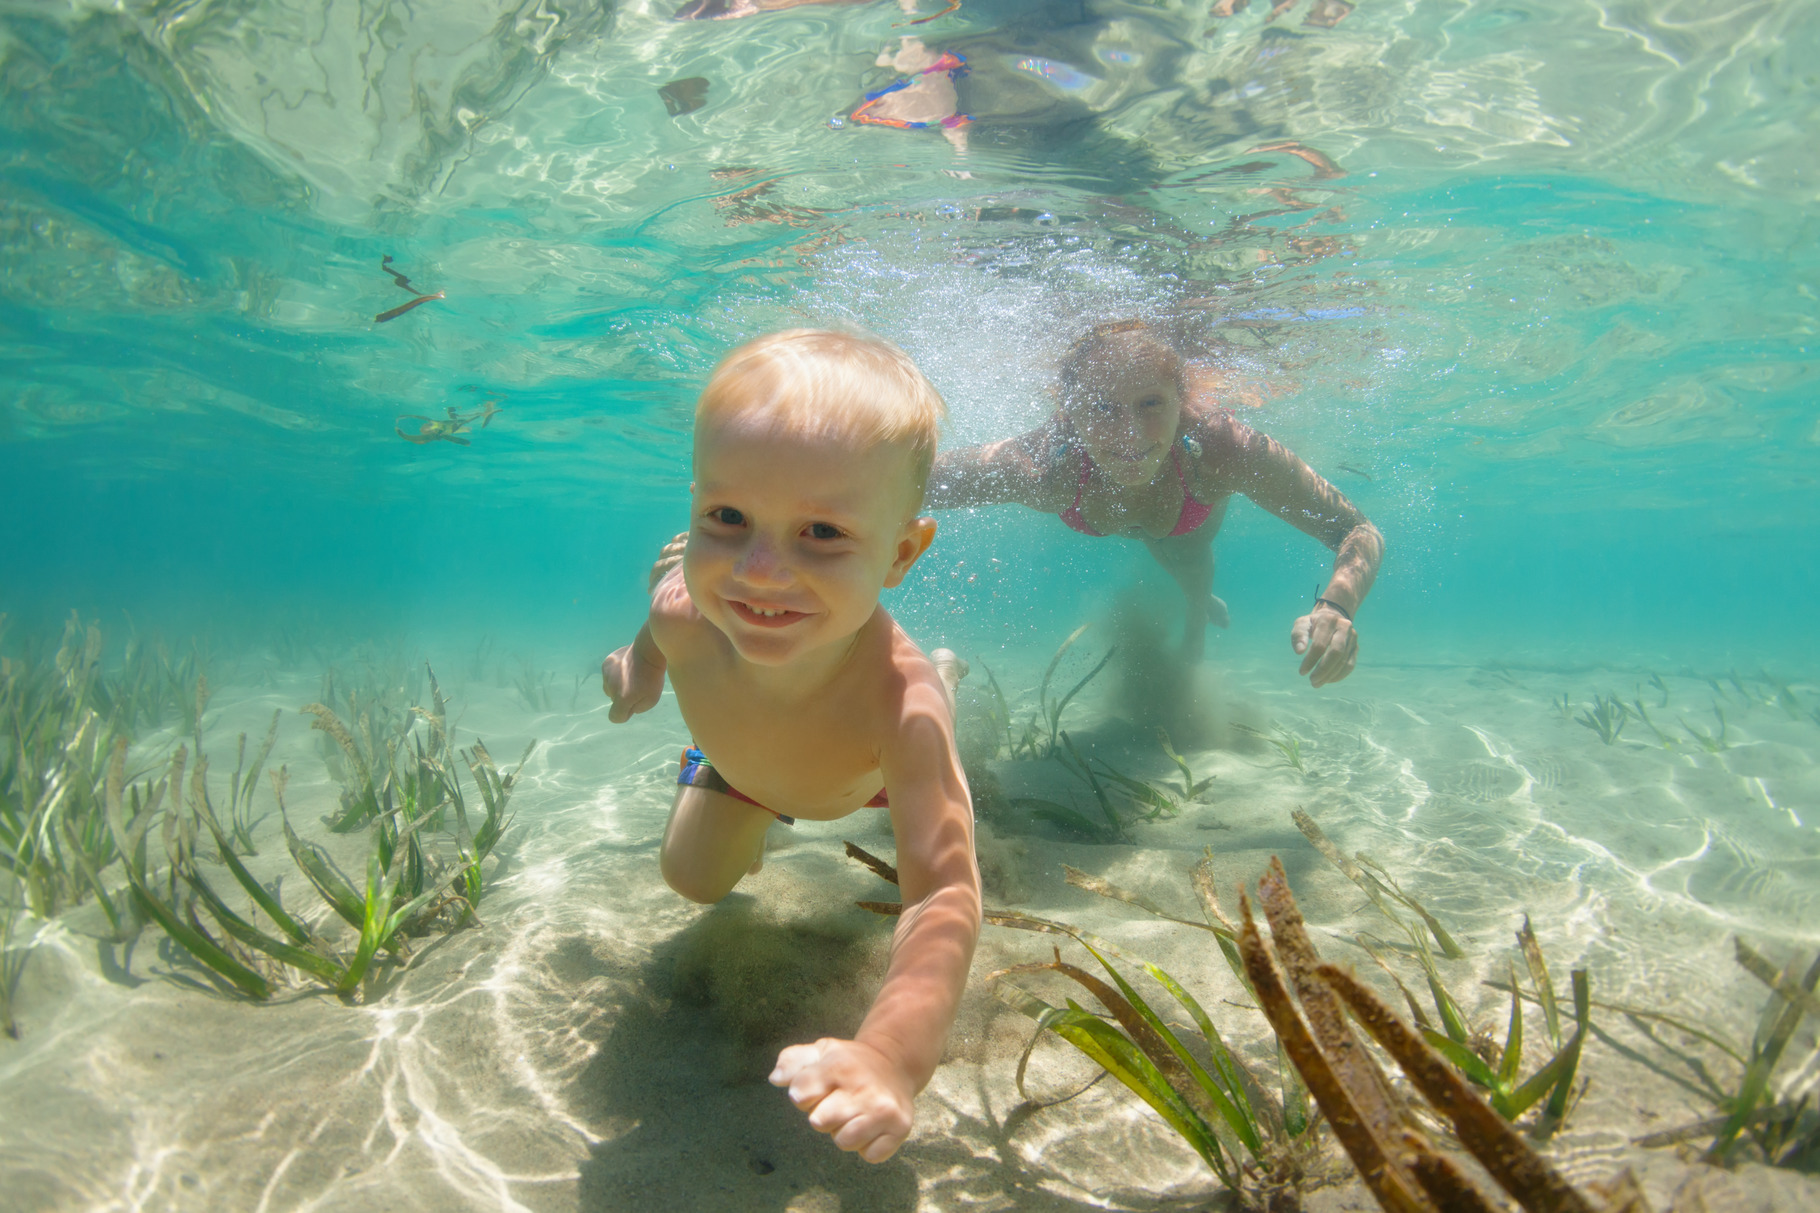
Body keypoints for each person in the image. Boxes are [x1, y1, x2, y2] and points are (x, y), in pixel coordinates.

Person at [600, 329, 981, 1164]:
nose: (761, 571)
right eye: (727, 518)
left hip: (862, 772)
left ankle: (950, 672)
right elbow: (658, 628)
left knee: (929, 704)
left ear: (902, 553)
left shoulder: (901, 709)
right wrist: (636, 673)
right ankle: (755, 803)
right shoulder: (683, 611)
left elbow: (942, 890)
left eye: (821, 532)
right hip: (745, 762)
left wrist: (890, 1054)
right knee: (691, 881)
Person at [925, 319, 1382, 685]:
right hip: (1141, 513)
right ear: (1069, 412)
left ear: (1181, 402)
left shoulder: (1221, 451)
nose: (1131, 436)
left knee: (1190, 562)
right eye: (1103, 407)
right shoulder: (1042, 466)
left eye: (1150, 404)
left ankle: (1197, 624)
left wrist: (1337, 606)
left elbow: (1359, 530)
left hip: (1187, 519)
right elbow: (912, 481)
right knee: (1167, 550)